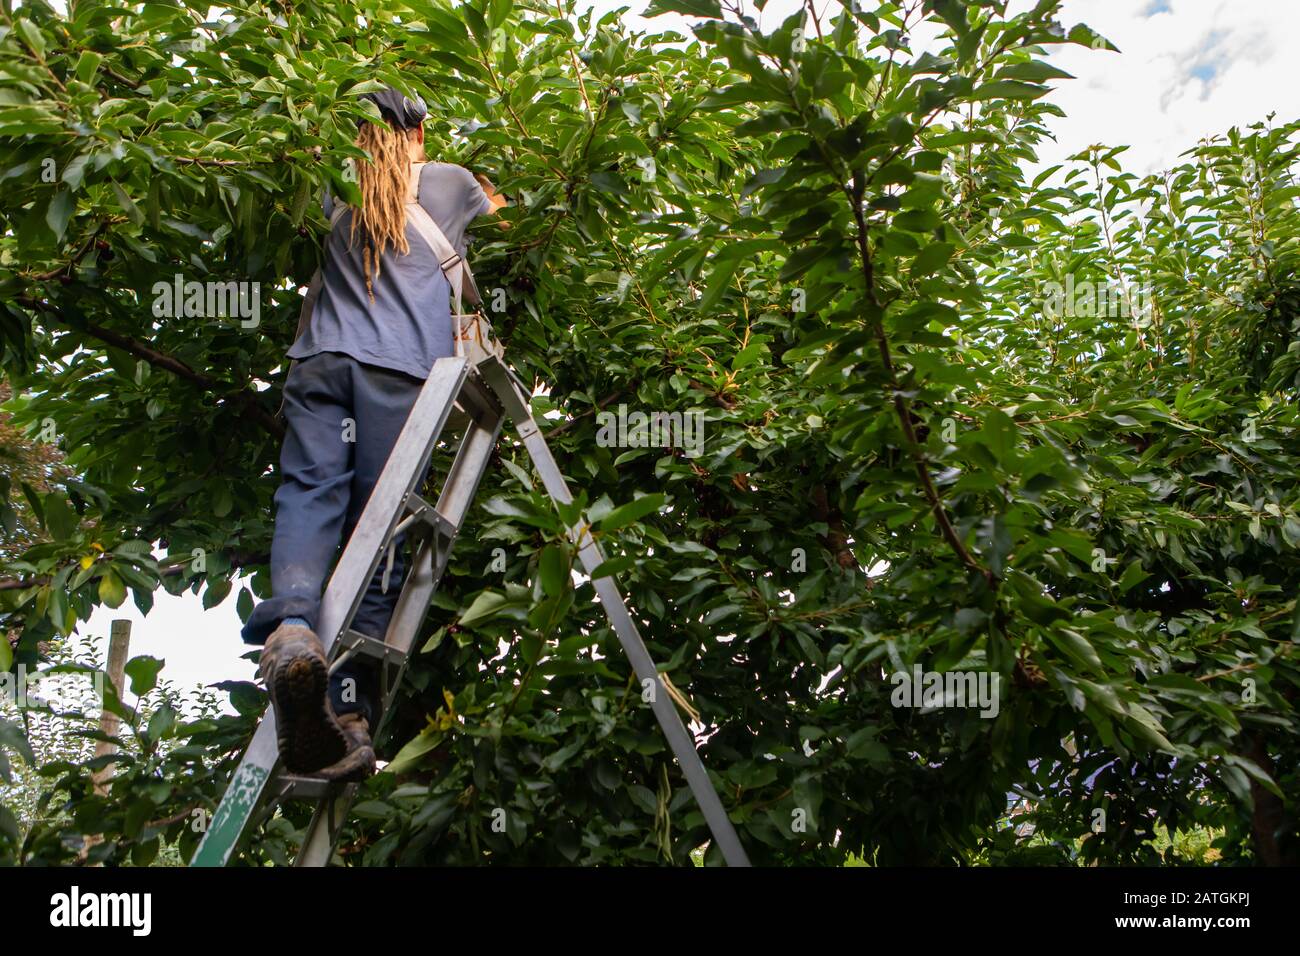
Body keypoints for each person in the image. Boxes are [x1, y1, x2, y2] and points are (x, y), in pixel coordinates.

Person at [240, 86, 506, 781]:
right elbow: (507, 207)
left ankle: (293, 629)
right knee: (379, 531)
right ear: (418, 135)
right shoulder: (447, 184)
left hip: (320, 361)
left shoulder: (334, 192)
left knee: (307, 493)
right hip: (397, 373)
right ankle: (350, 703)